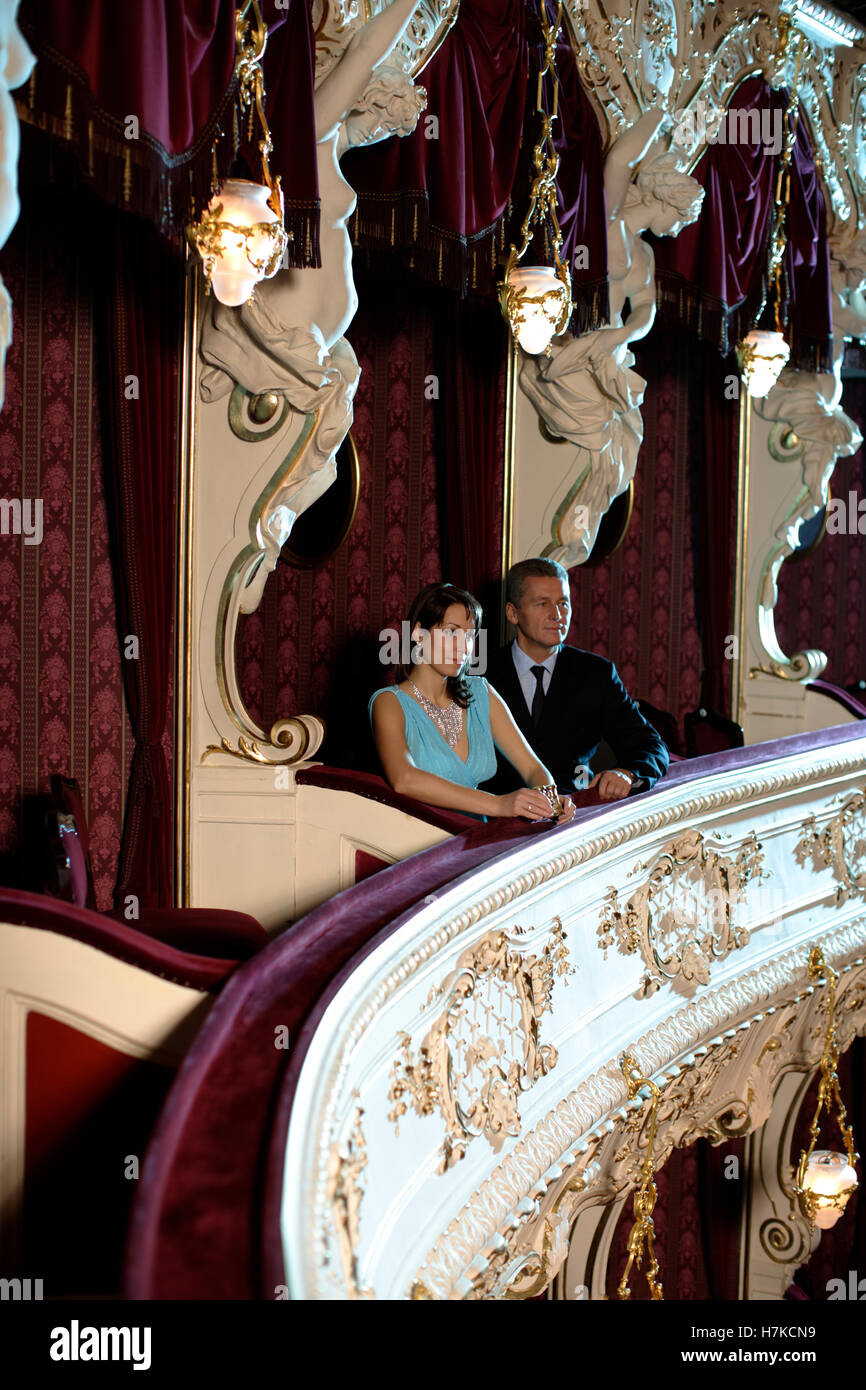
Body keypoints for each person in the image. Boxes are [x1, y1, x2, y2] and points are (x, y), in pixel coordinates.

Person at [369, 582, 576, 823]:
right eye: (450, 631)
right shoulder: (389, 703)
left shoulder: (481, 692)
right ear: (418, 633)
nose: (463, 647)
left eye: (469, 636)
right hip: (418, 843)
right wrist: (499, 804)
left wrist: (549, 799)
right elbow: (405, 779)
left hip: (475, 837)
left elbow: (532, 768)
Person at [484, 558, 669, 801]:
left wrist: (627, 774)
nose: (557, 615)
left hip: (572, 820)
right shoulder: (481, 674)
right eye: (543, 604)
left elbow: (651, 747)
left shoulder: (596, 674)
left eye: (563, 603)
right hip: (491, 823)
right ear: (513, 613)